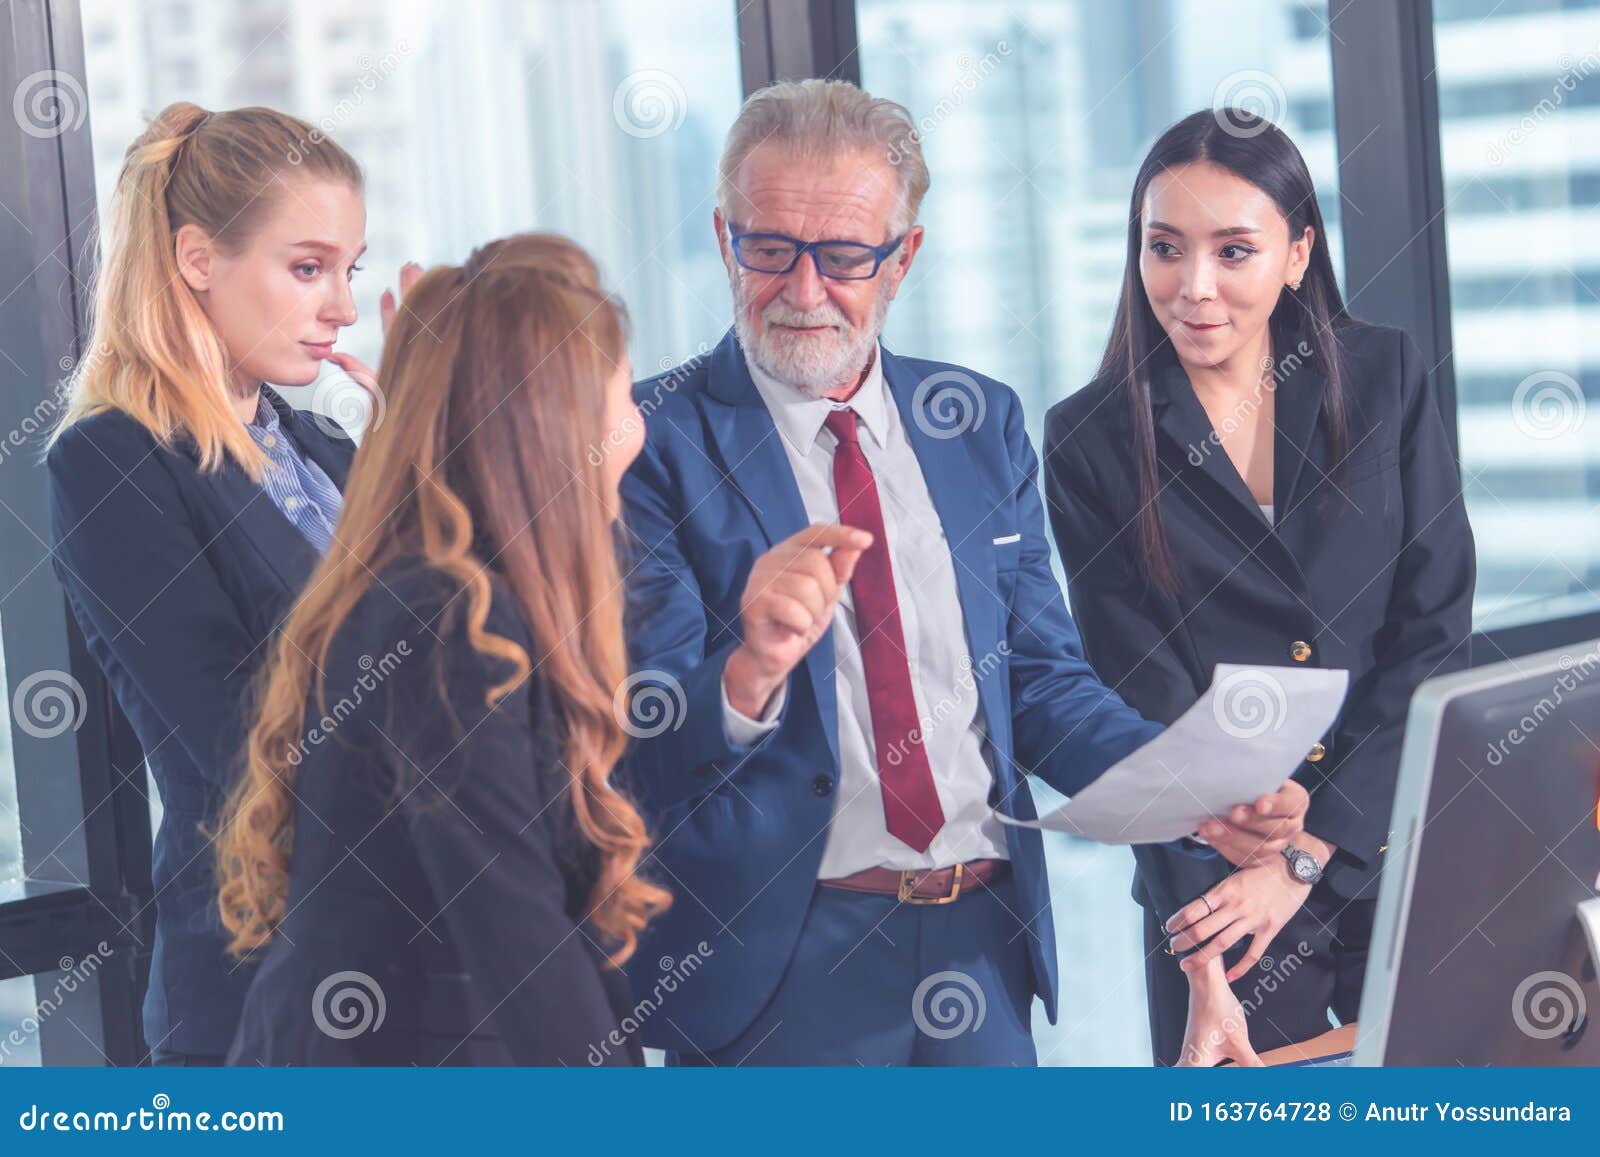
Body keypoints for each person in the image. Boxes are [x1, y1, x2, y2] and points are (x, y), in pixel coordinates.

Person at [616, 78, 1301, 1066]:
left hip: (980, 948)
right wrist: (750, 667)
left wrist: (1195, 788)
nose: (803, 291)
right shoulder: (652, 437)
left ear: (904, 257)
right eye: (769, 250)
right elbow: (642, 728)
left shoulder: (975, 419)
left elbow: (1042, 682)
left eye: (846, 256)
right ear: (726, 238)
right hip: (772, 969)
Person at [1043, 109, 1475, 1066]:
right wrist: (1210, 932)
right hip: (1218, 886)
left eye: (1234, 249)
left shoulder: (1383, 374)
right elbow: (1137, 701)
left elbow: (1433, 630)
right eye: (1165, 248)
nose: (1194, 287)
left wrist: (1312, 846)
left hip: (1395, 849)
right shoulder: (1090, 440)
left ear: (1297, 253)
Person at [217, 233, 669, 1066]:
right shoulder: (450, 622)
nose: (634, 432)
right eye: (621, 402)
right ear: (554, 435)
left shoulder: (457, 591)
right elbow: (517, 927)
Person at [45, 102, 390, 1066]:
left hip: (414, 978)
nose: (344, 309)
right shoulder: (113, 461)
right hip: (262, 998)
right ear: (199, 258)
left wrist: (423, 486)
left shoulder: (328, 450)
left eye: (350, 271)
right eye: (308, 267)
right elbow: (240, 748)